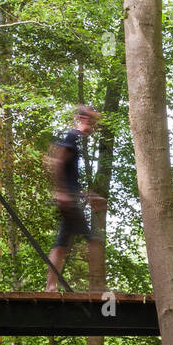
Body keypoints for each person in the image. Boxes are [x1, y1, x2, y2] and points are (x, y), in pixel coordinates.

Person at [46, 105, 99, 292]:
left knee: (61, 244)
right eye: (92, 121)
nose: (93, 126)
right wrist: (61, 192)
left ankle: (50, 286)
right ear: (82, 119)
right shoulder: (72, 136)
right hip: (67, 200)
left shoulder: (75, 139)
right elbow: (57, 161)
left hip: (70, 198)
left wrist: (86, 194)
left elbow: (67, 171)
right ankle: (97, 285)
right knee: (93, 240)